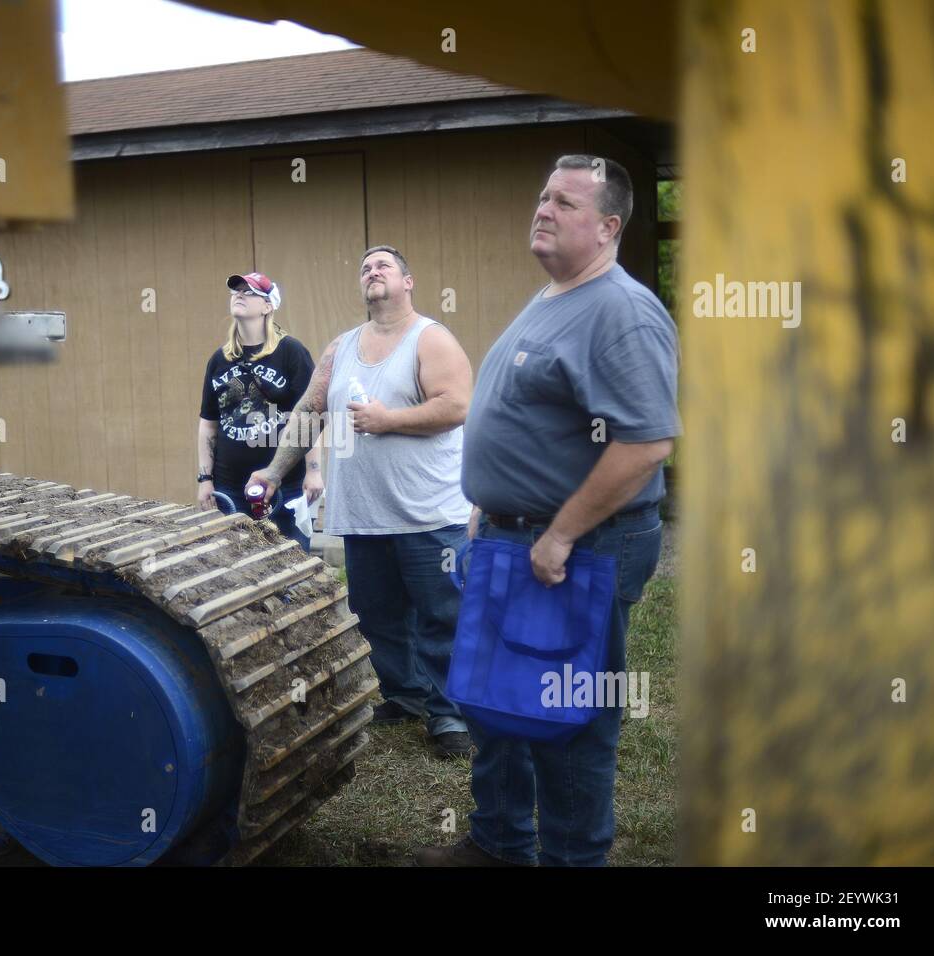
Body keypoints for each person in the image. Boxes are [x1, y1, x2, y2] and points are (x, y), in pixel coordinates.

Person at [415, 155, 680, 866]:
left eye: (565, 202)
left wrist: (558, 533)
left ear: (608, 226)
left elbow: (646, 442)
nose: (544, 208)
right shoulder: (555, 295)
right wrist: (494, 508)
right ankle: (499, 843)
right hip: (514, 538)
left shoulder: (621, 311)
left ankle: (573, 858)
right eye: (542, 196)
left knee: (569, 724)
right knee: (499, 702)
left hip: (576, 554)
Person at [245, 246, 476, 758]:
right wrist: (273, 469)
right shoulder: (340, 347)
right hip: (364, 516)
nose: (373, 272)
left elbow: (457, 404)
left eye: (384, 266)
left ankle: (451, 715)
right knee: (378, 616)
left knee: (443, 618)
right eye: (366, 267)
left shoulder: (429, 338)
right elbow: (308, 413)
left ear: (408, 281)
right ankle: (406, 695)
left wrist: (388, 420)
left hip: (429, 515)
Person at [197, 271, 322, 550]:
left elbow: (311, 416)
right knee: (238, 566)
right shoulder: (220, 359)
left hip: (285, 483)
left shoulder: (291, 352)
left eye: (249, 291)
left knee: (291, 562)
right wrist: (205, 479)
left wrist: (313, 471)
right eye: (236, 291)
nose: (239, 294)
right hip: (230, 486)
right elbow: (208, 423)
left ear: (268, 306)